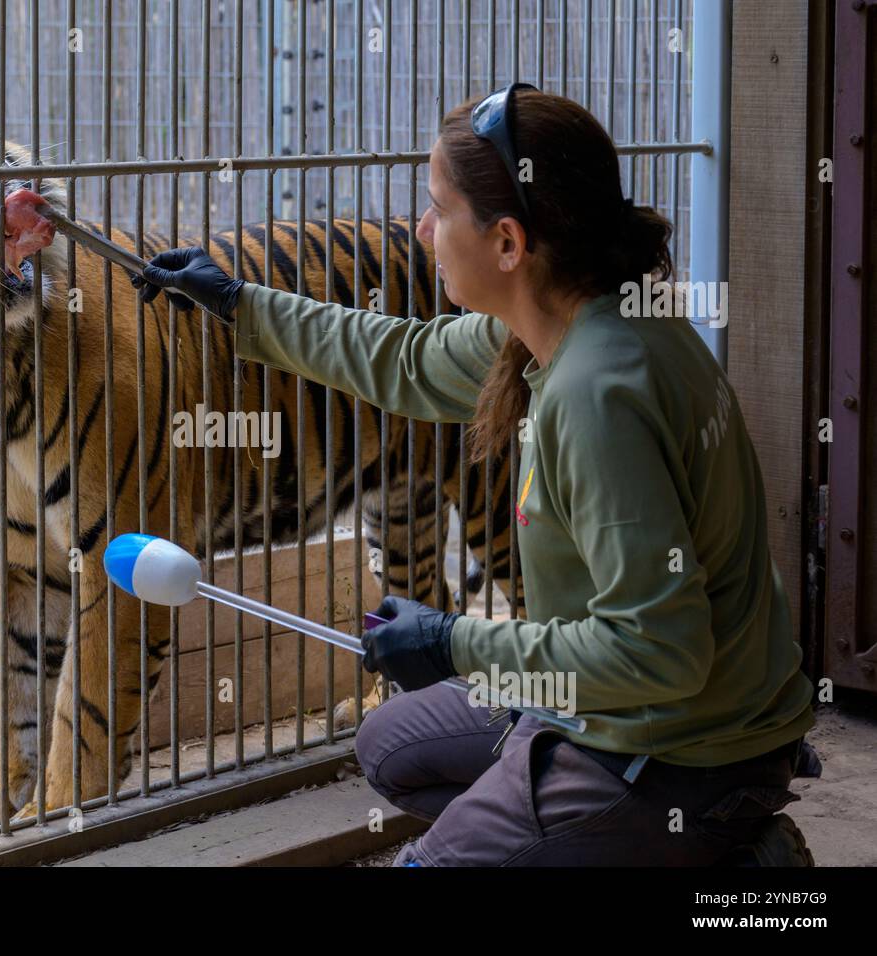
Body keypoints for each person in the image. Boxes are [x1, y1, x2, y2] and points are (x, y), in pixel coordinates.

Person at [129, 84, 820, 866]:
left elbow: (658, 654)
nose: (422, 230)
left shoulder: (598, 397)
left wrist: (459, 640)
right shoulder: (568, 318)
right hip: (619, 707)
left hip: (677, 746)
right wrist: (239, 305)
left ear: (508, 244)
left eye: (438, 208)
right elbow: (404, 360)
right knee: (394, 745)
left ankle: (725, 848)